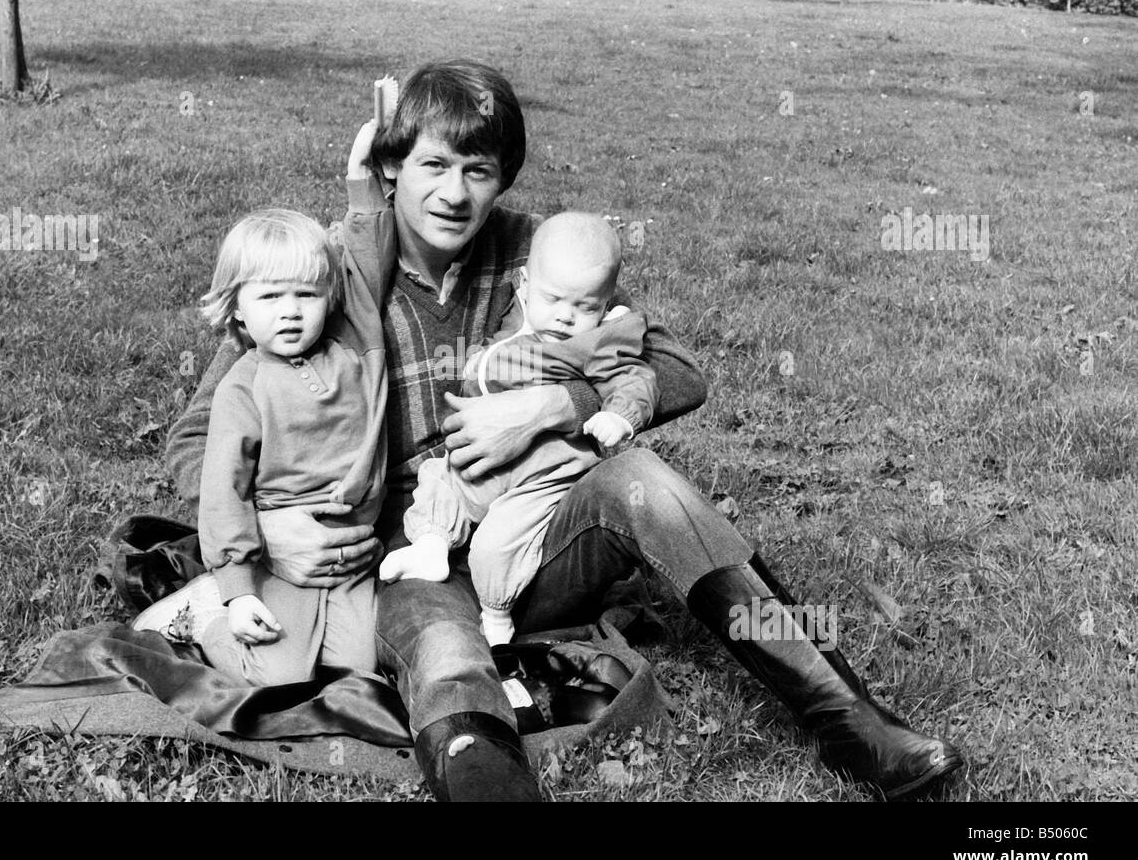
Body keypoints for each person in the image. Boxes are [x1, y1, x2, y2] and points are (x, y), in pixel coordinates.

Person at [166, 60, 964, 801]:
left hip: (536, 531)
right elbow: (197, 443)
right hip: (407, 559)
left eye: (478, 171)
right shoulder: (325, 272)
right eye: (433, 167)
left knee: (643, 480)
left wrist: (557, 406)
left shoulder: (533, 251)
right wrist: (274, 534)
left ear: (502, 180)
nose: (454, 194)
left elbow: (675, 366)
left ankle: (850, 724)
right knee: (448, 655)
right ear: (390, 169)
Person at [136, 123, 394, 686]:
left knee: (358, 668)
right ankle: (202, 619)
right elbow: (224, 493)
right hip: (277, 554)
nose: (292, 311)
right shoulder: (243, 387)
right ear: (237, 311)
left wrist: (361, 176)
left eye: (306, 294)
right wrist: (235, 590)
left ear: (330, 297)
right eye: (271, 297)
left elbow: (366, 255)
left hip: (351, 553)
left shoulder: (356, 346)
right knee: (280, 677)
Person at [379, 211, 658, 648]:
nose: (566, 317)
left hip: (543, 469)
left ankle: (497, 614)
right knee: (438, 479)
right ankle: (431, 547)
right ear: (526, 285)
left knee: (499, 540)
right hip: (485, 457)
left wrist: (617, 415)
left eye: (584, 307)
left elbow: (637, 378)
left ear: (605, 305)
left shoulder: (600, 339)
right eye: (555, 300)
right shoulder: (522, 310)